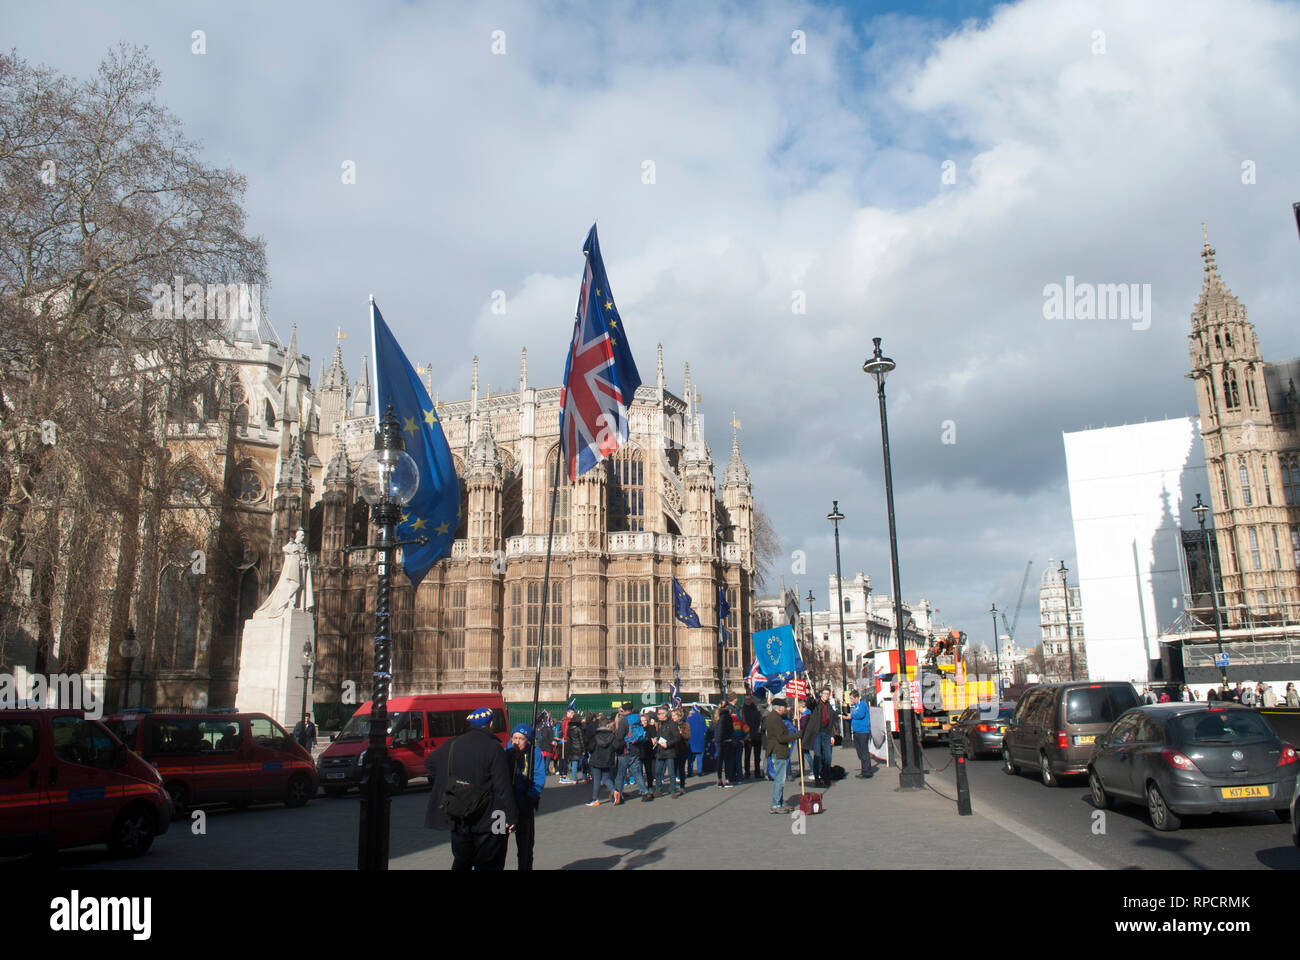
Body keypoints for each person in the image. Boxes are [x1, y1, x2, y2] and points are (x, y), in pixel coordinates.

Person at [424, 707, 517, 871]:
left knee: (462, 860)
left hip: (460, 814)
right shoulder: (493, 747)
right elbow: (502, 787)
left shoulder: (452, 743)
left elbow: (430, 763)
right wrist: (511, 817)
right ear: (491, 723)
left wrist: (453, 780)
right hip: (490, 817)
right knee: (489, 863)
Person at [505, 725, 546, 870]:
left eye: (521, 739)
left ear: (527, 740)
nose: (517, 742)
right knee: (497, 846)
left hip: (525, 805)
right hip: (506, 806)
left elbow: (539, 778)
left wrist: (532, 796)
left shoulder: (535, 753)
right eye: (514, 738)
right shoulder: (506, 752)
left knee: (526, 847)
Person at [764, 698, 798, 814]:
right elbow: (781, 737)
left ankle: (780, 801)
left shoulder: (772, 717)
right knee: (780, 778)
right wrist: (795, 735)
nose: (785, 709)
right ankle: (776, 804)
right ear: (779, 708)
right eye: (784, 707)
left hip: (776, 749)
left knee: (780, 778)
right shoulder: (775, 719)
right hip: (778, 750)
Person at [804, 688, 835, 786]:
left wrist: (832, 736)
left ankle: (826, 777)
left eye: (828, 694)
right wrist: (810, 695)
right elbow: (809, 705)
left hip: (826, 733)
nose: (826, 695)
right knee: (817, 755)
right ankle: (817, 778)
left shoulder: (829, 706)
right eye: (824, 694)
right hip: (817, 733)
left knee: (828, 756)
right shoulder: (816, 704)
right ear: (821, 694)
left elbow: (831, 722)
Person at [586, 718, 619, 806]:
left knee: (597, 780)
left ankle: (595, 799)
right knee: (606, 779)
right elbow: (616, 746)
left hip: (596, 759)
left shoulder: (595, 735)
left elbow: (590, 747)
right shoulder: (612, 736)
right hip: (608, 760)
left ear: (599, 725)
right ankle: (614, 791)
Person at [651, 705, 682, 798]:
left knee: (671, 772)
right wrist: (656, 739)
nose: (658, 715)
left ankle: (672, 790)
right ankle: (658, 789)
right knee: (658, 771)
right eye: (658, 714)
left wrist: (668, 744)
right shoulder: (660, 724)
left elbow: (677, 737)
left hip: (669, 751)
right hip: (660, 752)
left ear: (665, 715)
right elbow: (659, 735)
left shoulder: (672, 724)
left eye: (660, 714)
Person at [848, 689, 872, 778]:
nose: (851, 700)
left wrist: (851, 716)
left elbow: (860, 715)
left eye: (852, 698)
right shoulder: (855, 706)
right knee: (860, 752)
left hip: (863, 731)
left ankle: (867, 772)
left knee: (864, 751)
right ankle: (864, 769)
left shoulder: (862, 705)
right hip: (857, 731)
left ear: (856, 697)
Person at [712, 700, 735, 788]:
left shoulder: (717, 715)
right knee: (727, 761)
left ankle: (719, 780)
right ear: (726, 707)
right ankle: (727, 780)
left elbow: (713, 728)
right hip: (726, 739)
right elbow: (730, 728)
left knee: (719, 760)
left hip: (718, 740)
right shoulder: (727, 716)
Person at [742, 694, 763, 780]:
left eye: (749, 699)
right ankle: (747, 772)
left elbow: (761, 719)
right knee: (747, 756)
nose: (748, 701)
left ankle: (757, 772)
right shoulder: (742, 709)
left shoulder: (756, 709)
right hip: (747, 736)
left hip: (756, 735)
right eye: (746, 699)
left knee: (757, 756)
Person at [565, 709, 587, 784]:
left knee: (574, 763)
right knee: (583, 762)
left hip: (572, 747)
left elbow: (568, 739)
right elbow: (581, 739)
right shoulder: (578, 728)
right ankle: (584, 777)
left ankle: (574, 779)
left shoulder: (569, 728)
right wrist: (584, 749)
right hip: (579, 747)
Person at [673, 708, 692, 791]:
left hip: (682, 748)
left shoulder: (685, 724)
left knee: (681, 768)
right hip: (673, 749)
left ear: (679, 716)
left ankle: (682, 786)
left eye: (674, 715)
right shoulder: (671, 724)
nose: (672, 717)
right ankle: (673, 786)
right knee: (672, 768)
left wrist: (681, 733)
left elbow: (688, 736)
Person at [687, 705, 707, 777]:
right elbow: (705, 729)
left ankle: (690, 771)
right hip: (700, 740)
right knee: (699, 756)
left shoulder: (688, 719)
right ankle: (699, 771)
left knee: (690, 757)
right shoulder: (702, 718)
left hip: (691, 740)